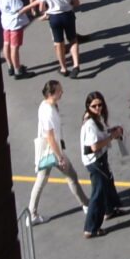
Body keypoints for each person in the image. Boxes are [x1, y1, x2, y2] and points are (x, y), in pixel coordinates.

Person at [29, 79, 87, 222]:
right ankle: (86, 204)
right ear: (51, 93)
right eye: (59, 91)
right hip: (53, 150)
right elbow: (50, 137)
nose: (62, 93)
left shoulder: (46, 105)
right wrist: (60, 157)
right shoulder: (48, 111)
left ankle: (32, 214)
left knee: (41, 180)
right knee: (71, 176)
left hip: (49, 151)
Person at [79, 92, 124, 236]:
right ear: (88, 106)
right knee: (98, 193)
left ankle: (109, 210)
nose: (98, 108)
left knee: (108, 183)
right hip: (95, 161)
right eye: (94, 106)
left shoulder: (98, 118)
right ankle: (90, 228)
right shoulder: (90, 124)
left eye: (100, 105)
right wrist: (112, 136)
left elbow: (102, 132)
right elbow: (94, 146)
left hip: (100, 158)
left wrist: (111, 131)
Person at [35, 0, 81, 74]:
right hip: (67, 15)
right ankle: (76, 65)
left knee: (58, 43)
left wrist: (47, 11)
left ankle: (63, 68)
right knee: (73, 40)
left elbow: (41, 8)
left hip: (54, 17)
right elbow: (76, 3)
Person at [0, 0, 31, 77]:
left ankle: (10, 66)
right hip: (15, 23)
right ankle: (18, 70)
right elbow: (19, 9)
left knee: (6, 43)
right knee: (14, 47)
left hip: (5, 21)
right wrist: (32, 5)